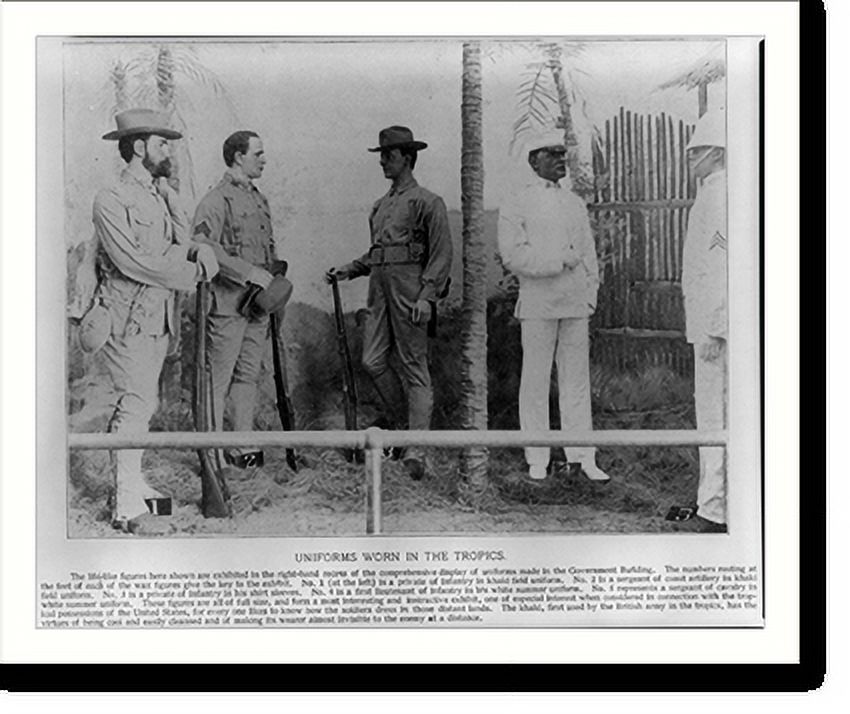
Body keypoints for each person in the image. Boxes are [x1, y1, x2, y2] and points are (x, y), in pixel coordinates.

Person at [92, 108, 220, 535]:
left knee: (145, 403)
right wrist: (192, 273)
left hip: (155, 318)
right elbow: (133, 262)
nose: (168, 151)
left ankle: (131, 487)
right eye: (162, 144)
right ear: (140, 147)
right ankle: (127, 508)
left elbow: (178, 243)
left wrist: (196, 249)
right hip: (126, 317)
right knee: (136, 403)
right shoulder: (111, 198)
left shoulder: (155, 194)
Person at [325, 126, 453, 480]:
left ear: (408, 159)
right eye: (381, 155)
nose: (382, 161)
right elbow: (378, 253)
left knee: (414, 365)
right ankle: (401, 426)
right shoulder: (380, 206)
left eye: (389, 155)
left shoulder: (428, 202)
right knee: (372, 359)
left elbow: (441, 255)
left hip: (411, 288)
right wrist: (350, 269)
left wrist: (427, 297)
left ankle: (417, 449)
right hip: (380, 291)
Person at [497, 129, 609, 484]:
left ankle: (581, 457)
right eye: (552, 154)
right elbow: (514, 254)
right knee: (535, 381)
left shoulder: (574, 203)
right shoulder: (517, 201)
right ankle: (538, 458)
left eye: (563, 153)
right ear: (534, 160)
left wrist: (590, 291)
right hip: (539, 302)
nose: (562, 159)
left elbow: (588, 253)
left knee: (576, 381)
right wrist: (557, 261)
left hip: (575, 302)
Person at [190, 130, 292, 470]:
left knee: (248, 376)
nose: (263, 160)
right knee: (217, 381)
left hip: (257, 304)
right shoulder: (216, 200)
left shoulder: (259, 200)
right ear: (237, 156)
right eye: (258, 154)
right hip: (228, 303)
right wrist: (248, 272)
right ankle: (212, 453)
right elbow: (206, 247)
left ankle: (241, 447)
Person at [676, 109, 728, 533]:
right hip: (716, 325)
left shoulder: (718, 196)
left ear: (714, 152)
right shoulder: (715, 194)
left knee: (714, 418)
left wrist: (711, 327)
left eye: (695, 151)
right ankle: (716, 503)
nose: (690, 158)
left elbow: (719, 268)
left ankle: (714, 509)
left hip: (717, 331)